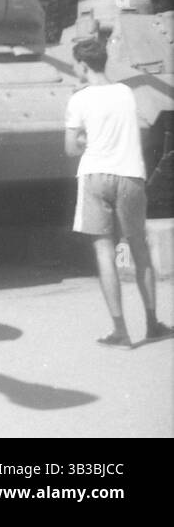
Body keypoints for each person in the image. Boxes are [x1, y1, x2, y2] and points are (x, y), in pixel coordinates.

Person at [65, 37, 170, 347]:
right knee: (140, 249)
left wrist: (85, 139)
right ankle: (152, 324)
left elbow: (71, 148)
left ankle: (120, 331)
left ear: (83, 65)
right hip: (130, 175)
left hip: (95, 176)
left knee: (104, 251)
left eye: (76, 65)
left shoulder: (78, 99)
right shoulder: (126, 93)